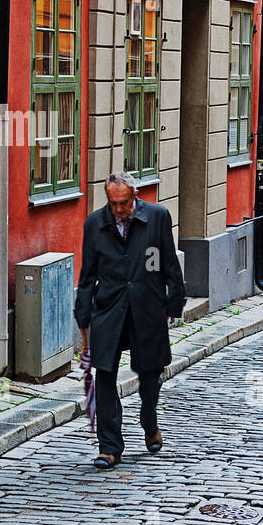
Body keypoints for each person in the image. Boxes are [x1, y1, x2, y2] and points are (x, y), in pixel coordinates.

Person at [75, 172, 186, 470]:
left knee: (150, 375)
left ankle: (150, 422)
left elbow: (168, 263)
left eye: (123, 203)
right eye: (113, 203)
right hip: (109, 309)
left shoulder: (158, 217)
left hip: (147, 308)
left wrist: (175, 300)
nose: (119, 209)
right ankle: (109, 448)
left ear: (134, 196)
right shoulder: (95, 224)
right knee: (105, 375)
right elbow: (87, 275)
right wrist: (82, 315)